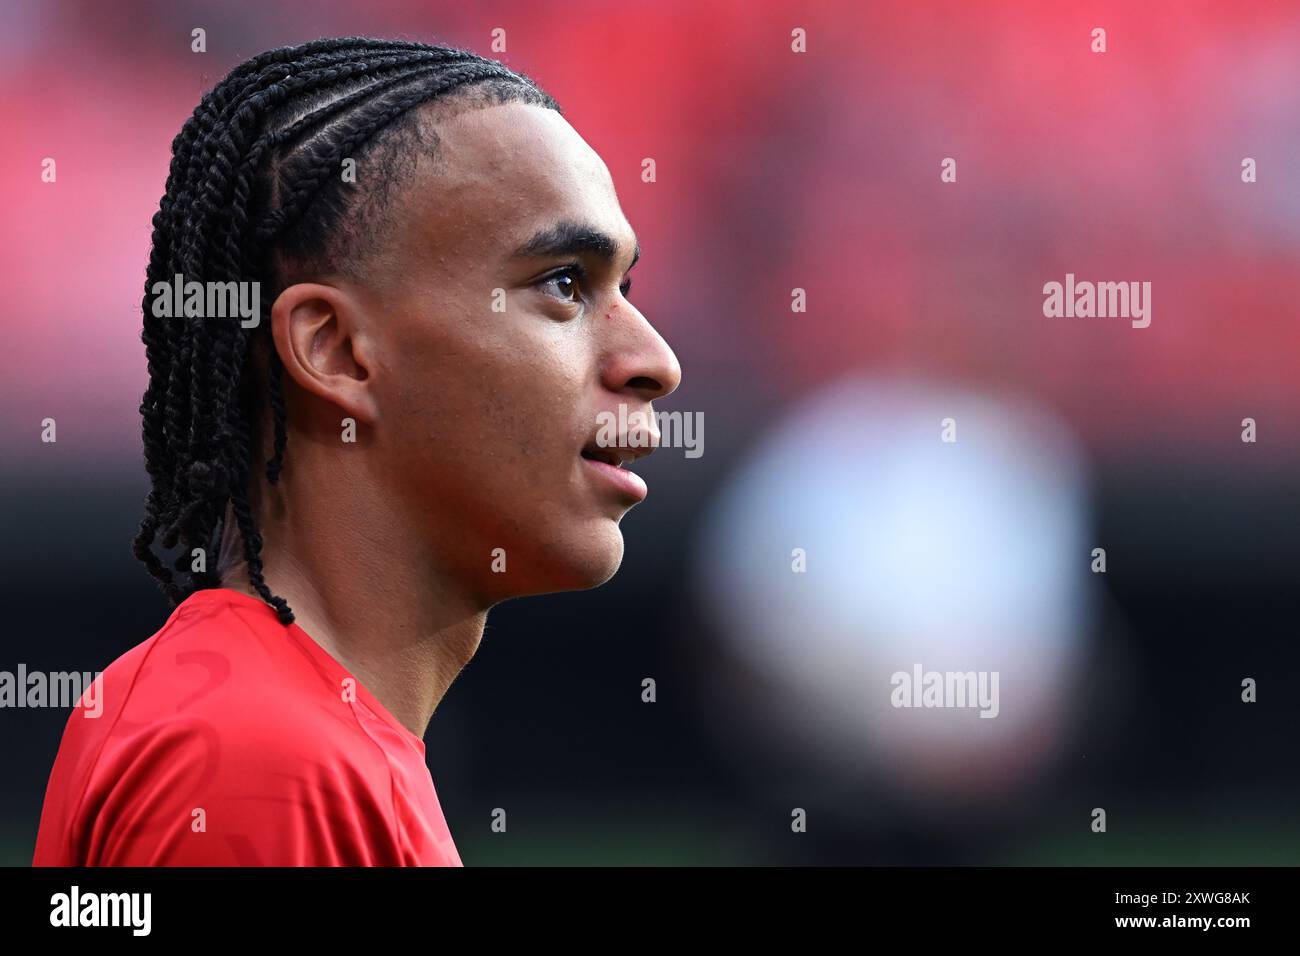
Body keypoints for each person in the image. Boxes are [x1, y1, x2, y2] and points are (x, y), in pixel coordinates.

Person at [34, 36, 680, 866]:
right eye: (564, 282)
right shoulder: (256, 762)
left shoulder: (280, 734)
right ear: (335, 350)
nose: (656, 361)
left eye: (623, 288)